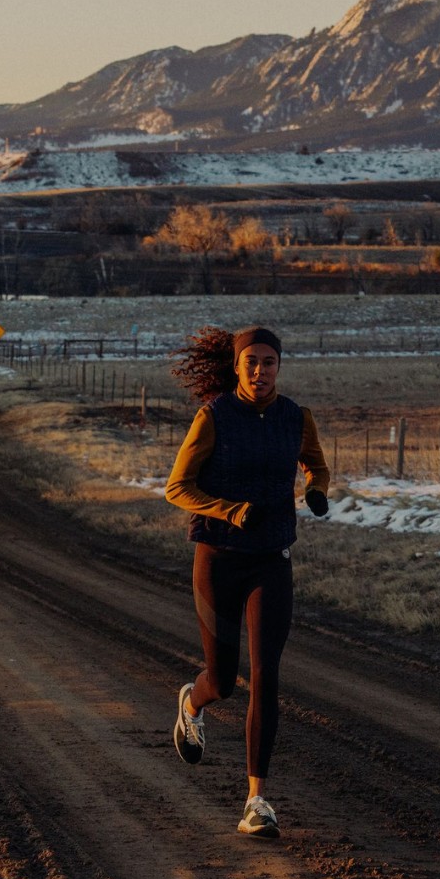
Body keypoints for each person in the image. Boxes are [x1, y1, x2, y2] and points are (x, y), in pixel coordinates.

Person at [164, 325, 330, 838]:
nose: (260, 371)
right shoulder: (214, 416)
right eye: (251, 362)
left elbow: (316, 465)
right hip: (218, 559)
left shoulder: (295, 417)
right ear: (236, 366)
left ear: (280, 365)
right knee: (223, 680)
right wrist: (230, 511)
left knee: (265, 676)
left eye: (269, 362)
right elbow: (177, 487)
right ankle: (193, 702)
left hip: (271, 559)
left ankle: (256, 800)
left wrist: (316, 489)